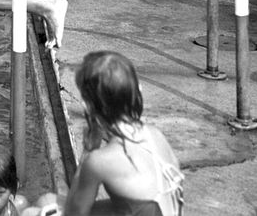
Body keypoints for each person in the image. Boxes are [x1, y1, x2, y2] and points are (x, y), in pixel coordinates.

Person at [60, 51, 183, 216]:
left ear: (88, 106)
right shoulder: (155, 135)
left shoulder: (99, 161)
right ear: (138, 90)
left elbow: (73, 213)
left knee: (45, 207)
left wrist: (89, 148)